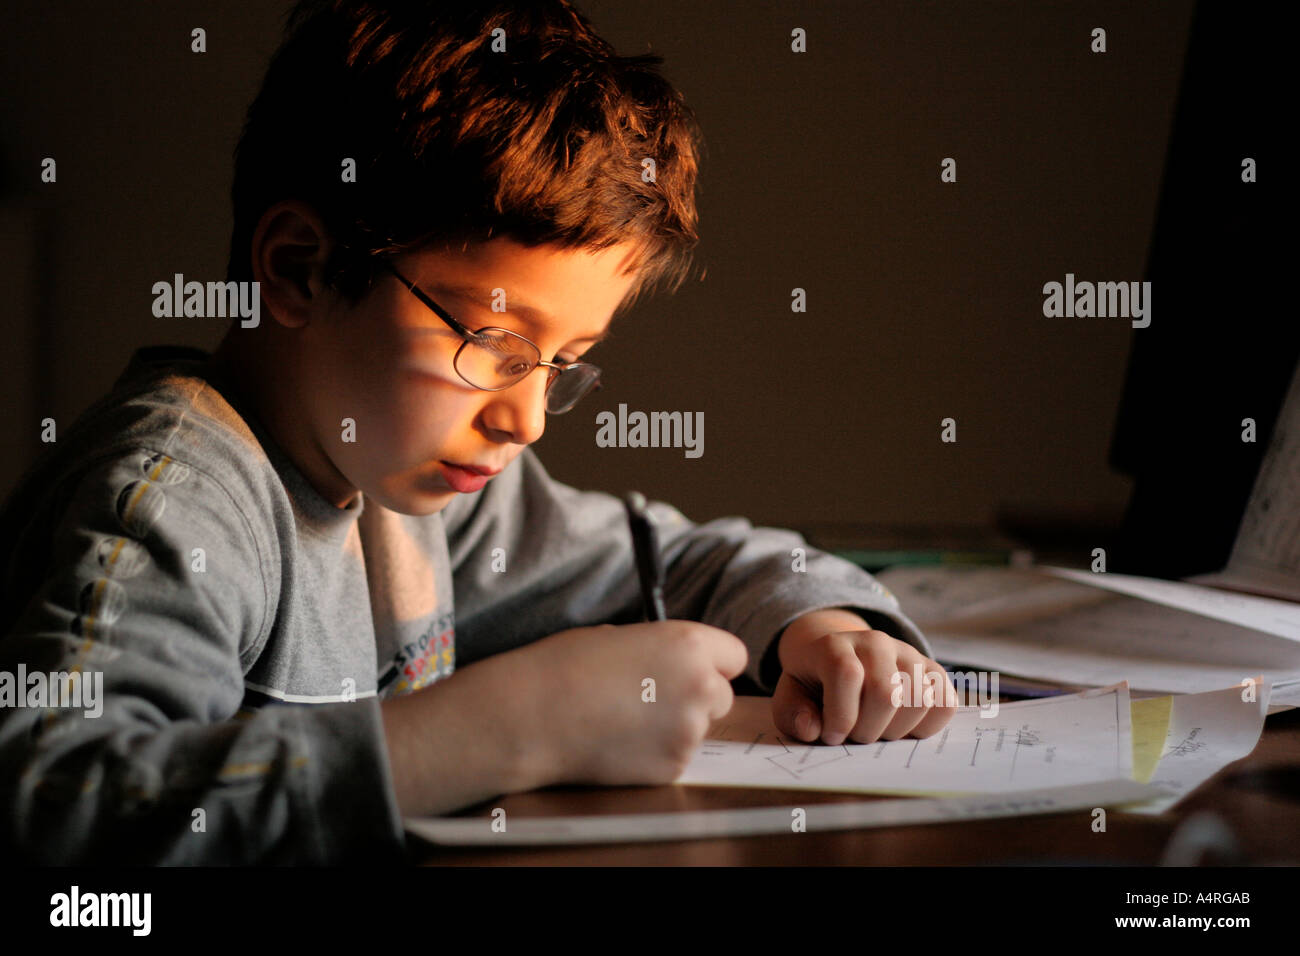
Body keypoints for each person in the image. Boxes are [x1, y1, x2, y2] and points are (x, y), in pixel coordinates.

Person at [0, 0, 955, 864]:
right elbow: (56, 804)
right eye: (493, 342)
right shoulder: (173, 499)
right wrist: (498, 730)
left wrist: (824, 627)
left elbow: (693, 561)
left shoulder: (414, 488)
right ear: (296, 268)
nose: (526, 417)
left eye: (563, 360)